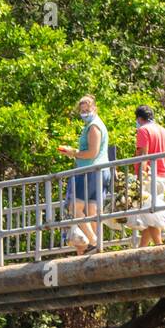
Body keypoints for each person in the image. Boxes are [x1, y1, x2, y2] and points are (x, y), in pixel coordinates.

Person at [58, 95, 110, 255]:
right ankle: (98, 245)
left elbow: (92, 153)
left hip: (90, 171)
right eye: (82, 111)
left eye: (87, 110)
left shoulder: (94, 126)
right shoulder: (94, 125)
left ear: (95, 108)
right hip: (97, 171)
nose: (84, 113)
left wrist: (73, 153)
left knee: (75, 208)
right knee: (91, 210)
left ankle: (93, 241)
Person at [129, 105, 165, 247]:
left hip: (149, 177)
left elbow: (144, 156)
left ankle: (159, 245)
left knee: (151, 213)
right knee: (151, 213)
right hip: (162, 178)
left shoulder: (143, 130)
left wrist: (140, 178)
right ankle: (142, 247)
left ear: (139, 119)